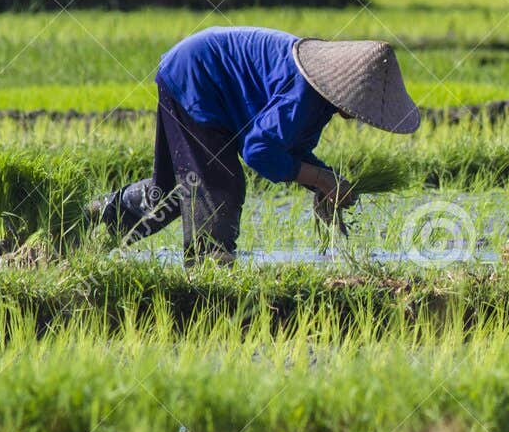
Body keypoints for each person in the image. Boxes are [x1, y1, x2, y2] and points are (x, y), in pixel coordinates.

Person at [89, 28, 421, 264]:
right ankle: (209, 274)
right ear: (347, 93)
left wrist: (325, 181)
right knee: (218, 185)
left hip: (191, 71)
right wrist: (321, 180)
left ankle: (86, 220)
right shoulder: (304, 95)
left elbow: (285, 147)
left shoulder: (318, 100)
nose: (361, 115)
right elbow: (259, 151)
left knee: (172, 193)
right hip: (198, 78)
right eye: (363, 107)